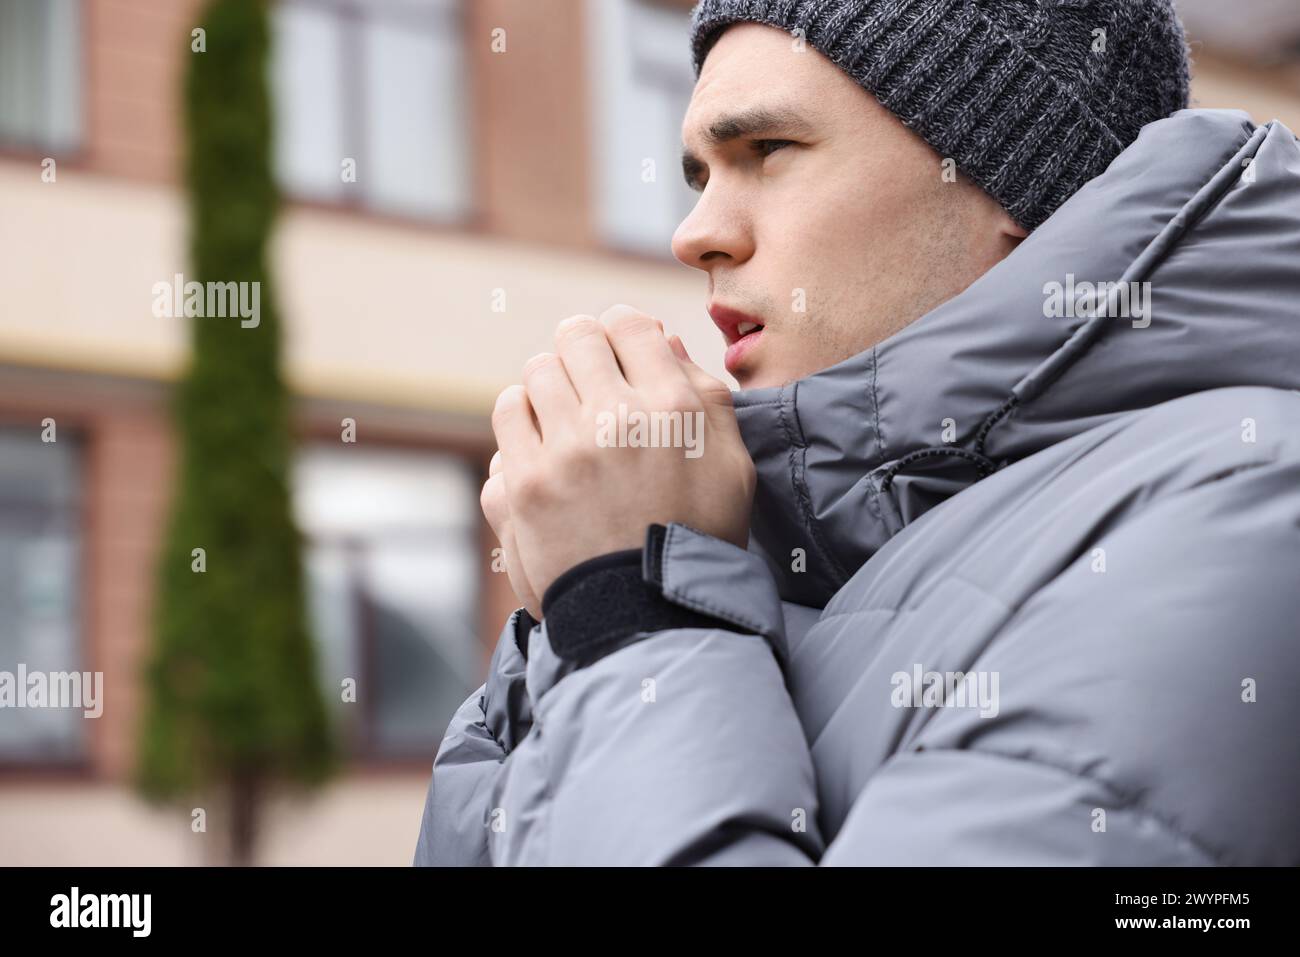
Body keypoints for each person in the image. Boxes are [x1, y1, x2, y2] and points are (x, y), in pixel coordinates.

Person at [415, 0, 1300, 865]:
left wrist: (629, 623)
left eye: (766, 150)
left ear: (1015, 183)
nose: (695, 235)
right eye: (699, 175)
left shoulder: (1244, 510)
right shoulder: (784, 555)